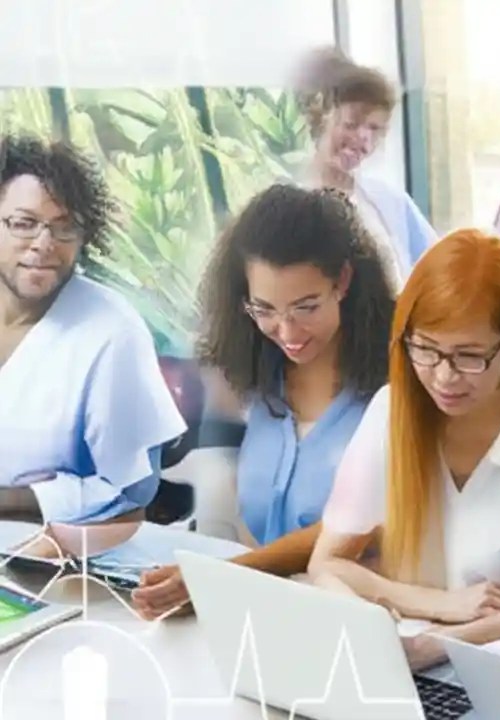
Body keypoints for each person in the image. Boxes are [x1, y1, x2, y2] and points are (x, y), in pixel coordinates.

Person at [305, 228, 500, 669]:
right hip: (402, 650)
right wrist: (439, 605)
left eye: (469, 356)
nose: (444, 377)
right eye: (426, 349)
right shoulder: (391, 410)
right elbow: (327, 563)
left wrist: (432, 646)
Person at [131, 184, 395, 620]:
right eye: (265, 309)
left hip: (356, 620)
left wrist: (221, 578)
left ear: (343, 281)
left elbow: (361, 527)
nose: (287, 332)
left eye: (306, 307)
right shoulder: (255, 375)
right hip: (261, 610)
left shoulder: (394, 386)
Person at [0, 134, 184, 529]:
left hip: (48, 552)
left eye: (65, 228)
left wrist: (16, 498)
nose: (44, 243)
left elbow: (132, 489)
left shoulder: (112, 331)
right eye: (24, 224)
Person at [294, 47, 438, 286]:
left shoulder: (389, 201)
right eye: (351, 124)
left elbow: (438, 267)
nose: (363, 138)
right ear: (320, 119)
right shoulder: (294, 210)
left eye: (374, 128)